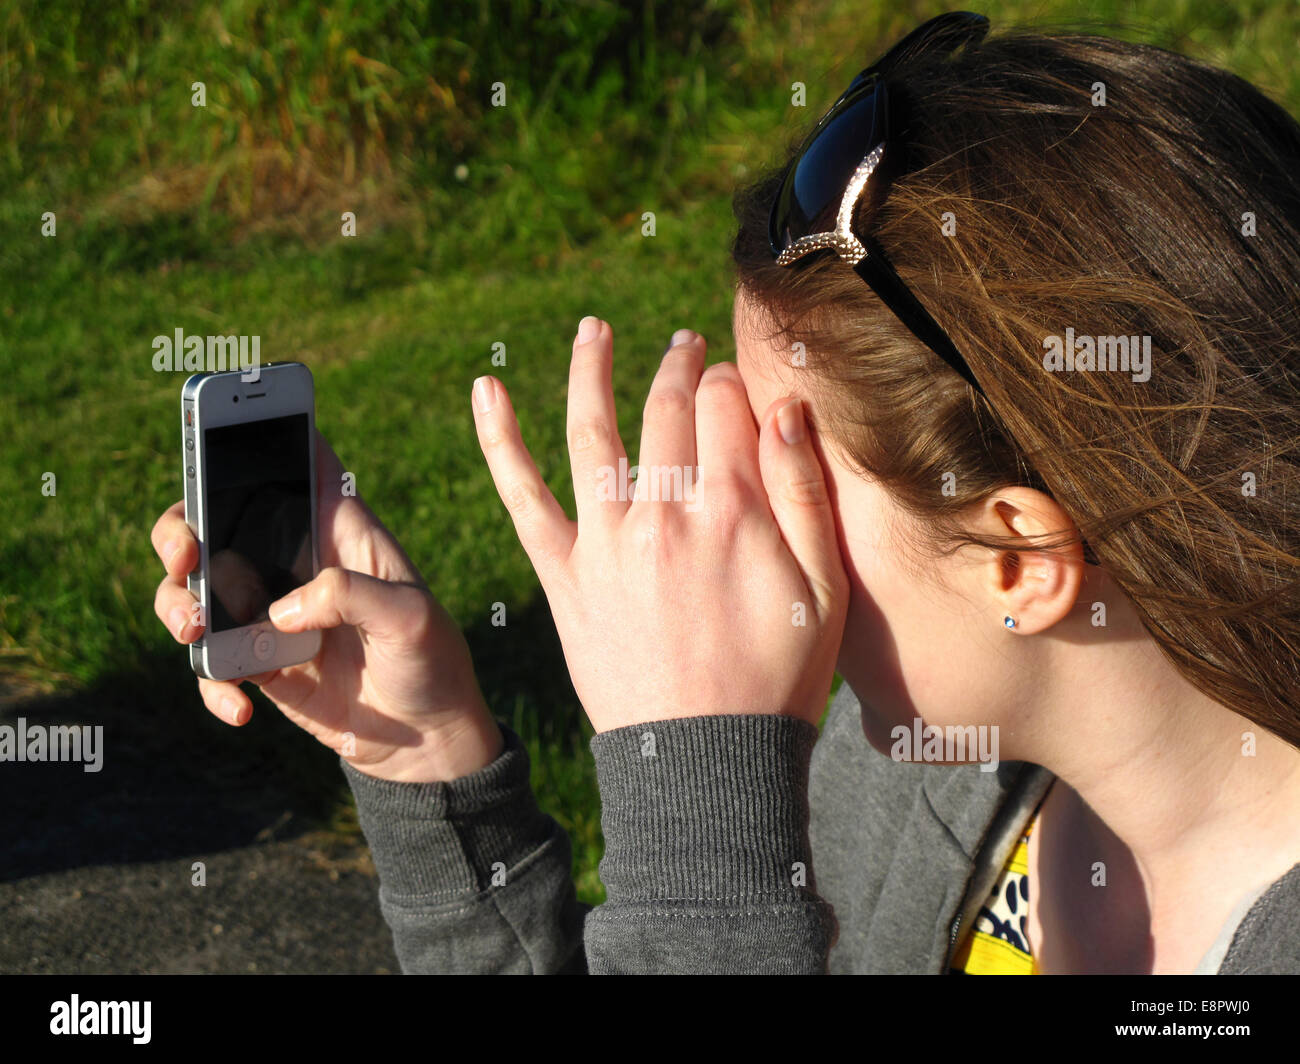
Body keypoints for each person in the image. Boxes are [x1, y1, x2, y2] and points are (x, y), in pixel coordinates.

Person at [149, 14, 1300, 973]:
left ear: (1021, 558)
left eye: (790, 460)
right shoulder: (925, 775)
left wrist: (700, 796)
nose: (723, 498)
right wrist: (433, 762)